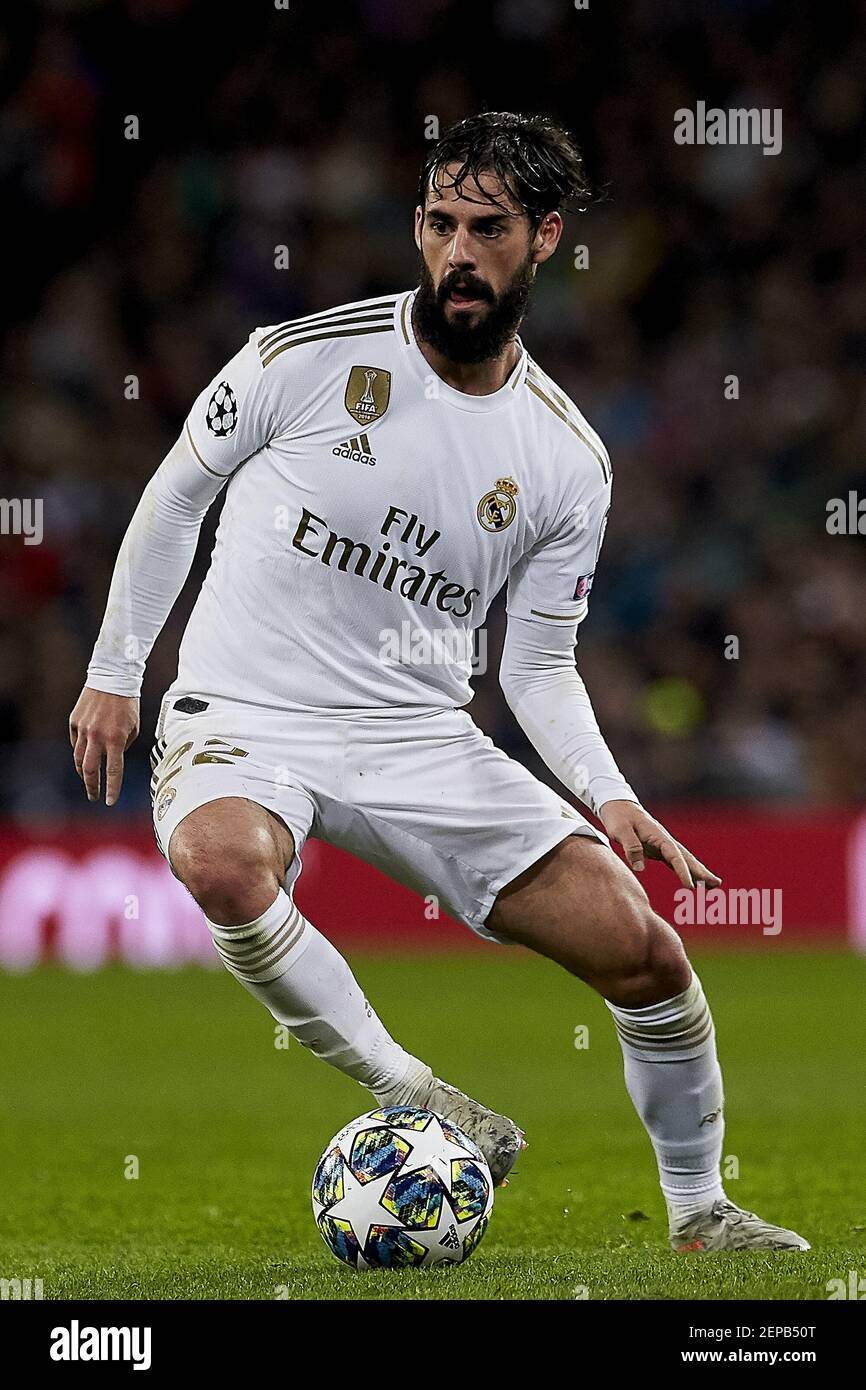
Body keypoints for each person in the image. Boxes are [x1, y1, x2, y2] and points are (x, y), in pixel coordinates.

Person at [70, 111, 808, 1253]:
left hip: (419, 732)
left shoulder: (564, 458)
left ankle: (699, 1211)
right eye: (440, 223)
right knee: (219, 859)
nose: (458, 252)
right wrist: (117, 672)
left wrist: (603, 792)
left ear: (544, 238)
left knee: (643, 949)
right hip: (245, 709)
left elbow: (538, 661)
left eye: (488, 228)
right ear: (417, 228)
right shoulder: (302, 359)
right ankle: (414, 1091)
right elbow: (175, 497)